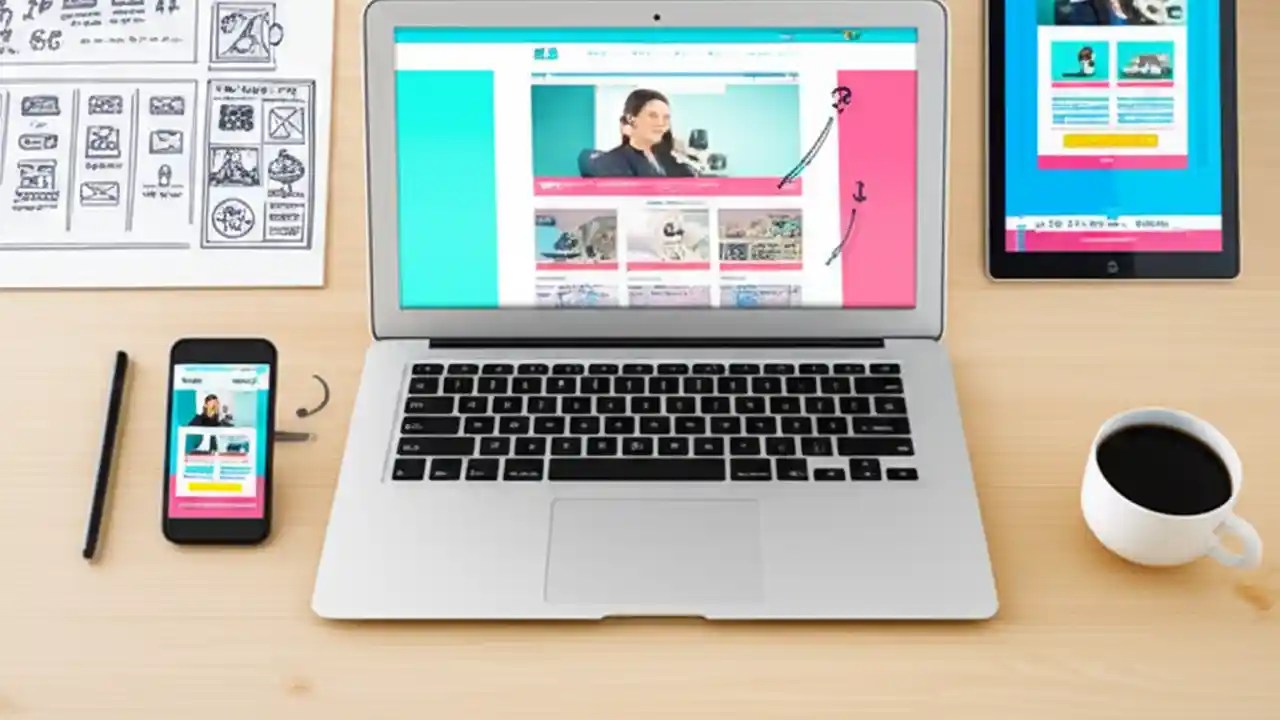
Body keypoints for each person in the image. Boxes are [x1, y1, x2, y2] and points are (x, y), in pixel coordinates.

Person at [586, 89, 697, 178]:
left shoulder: (666, 158)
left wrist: (688, 155)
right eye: (653, 116)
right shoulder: (612, 161)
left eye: (666, 117)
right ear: (631, 119)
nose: (661, 123)